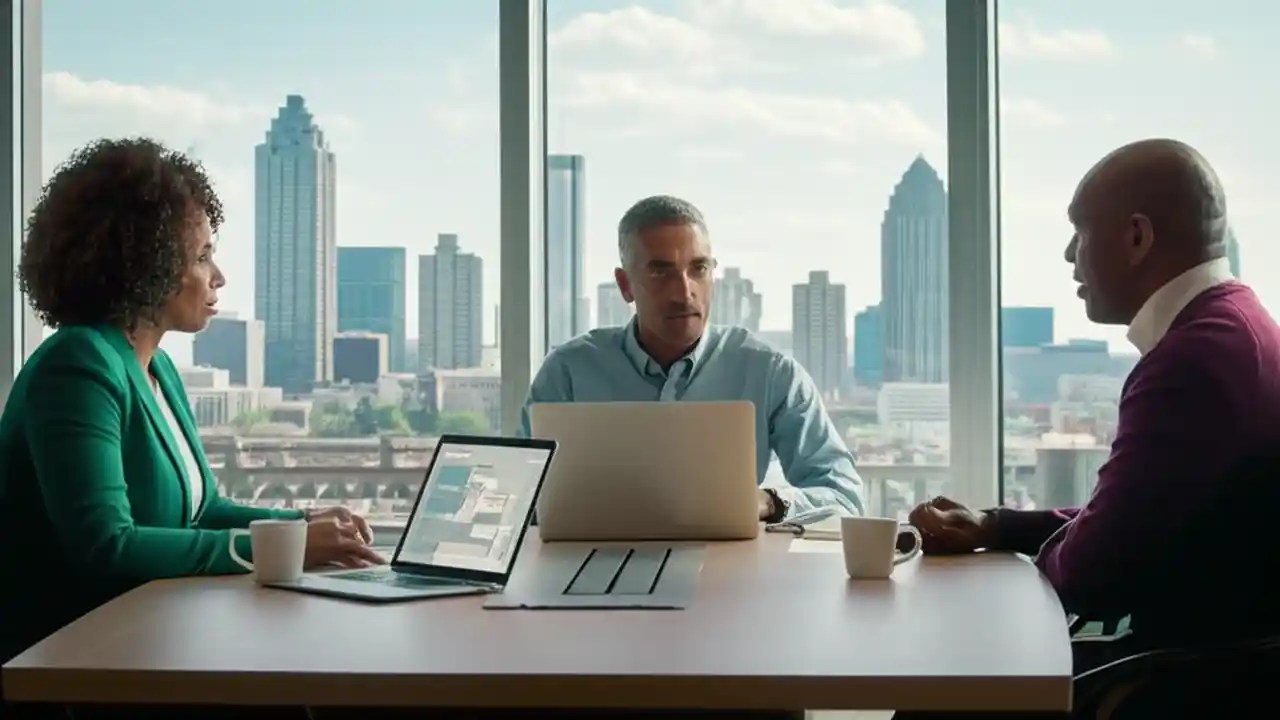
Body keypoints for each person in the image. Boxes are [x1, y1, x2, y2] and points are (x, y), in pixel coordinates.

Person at [902, 139, 1280, 717]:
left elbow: (1092, 571)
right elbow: (1132, 518)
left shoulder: (1195, 357)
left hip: (1178, 677)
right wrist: (997, 527)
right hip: (1209, 660)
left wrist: (1011, 569)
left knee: (942, 694)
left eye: (1080, 232)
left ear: (1136, 237)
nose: (1068, 255)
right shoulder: (1234, 328)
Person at [0, 138, 384, 669]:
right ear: (144, 267)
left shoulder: (155, 368)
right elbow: (106, 548)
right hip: (70, 666)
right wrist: (286, 548)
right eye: (202, 256)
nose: (218, 276)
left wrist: (303, 521)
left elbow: (199, 512)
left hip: (146, 642)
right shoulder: (79, 364)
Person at [520, 195, 863, 521]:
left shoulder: (770, 373)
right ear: (625, 285)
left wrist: (769, 502)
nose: (684, 292)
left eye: (698, 269)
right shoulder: (568, 372)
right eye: (660, 272)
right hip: (585, 567)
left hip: (727, 574)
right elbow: (516, 496)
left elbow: (844, 497)